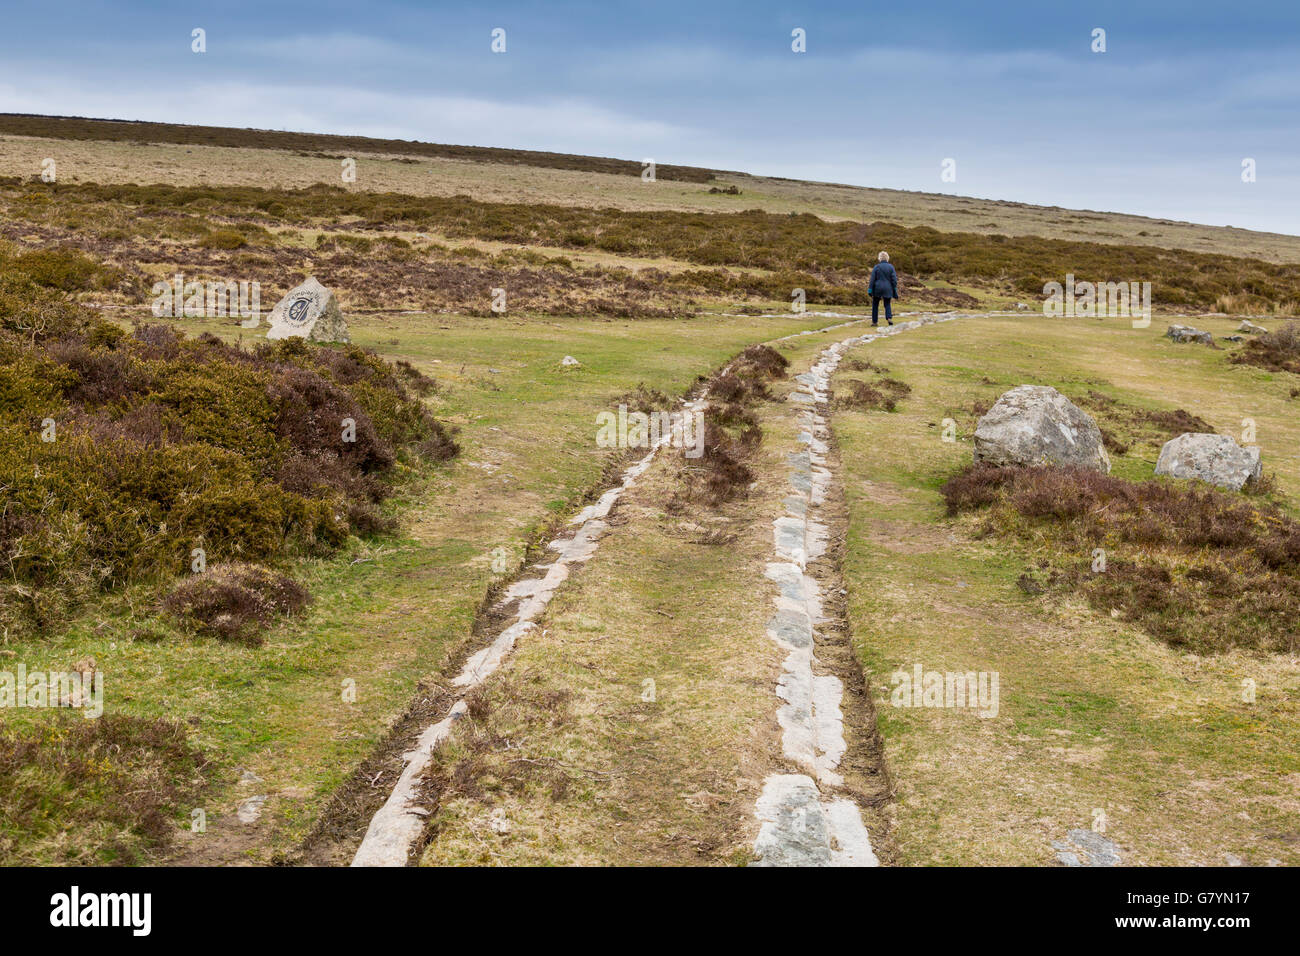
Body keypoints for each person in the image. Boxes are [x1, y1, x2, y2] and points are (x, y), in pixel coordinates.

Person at [869, 251, 898, 326]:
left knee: (875, 304)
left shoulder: (876, 267)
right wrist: (894, 289)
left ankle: (874, 322)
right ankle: (889, 318)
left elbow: (872, 279)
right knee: (887, 304)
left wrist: (870, 289)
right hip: (888, 289)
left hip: (877, 288)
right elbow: (894, 280)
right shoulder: (891, 267)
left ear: (879, 258)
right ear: (887, 258)